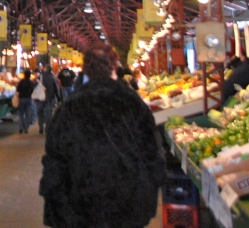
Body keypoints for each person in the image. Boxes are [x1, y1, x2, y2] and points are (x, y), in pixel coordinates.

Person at [40, 43, 165, 228]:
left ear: (85, 71)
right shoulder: (133, 104)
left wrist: (57, 212)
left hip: (79, 210)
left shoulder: (68, 108)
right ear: (114, 68)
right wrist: (145, 204)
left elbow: (55, 162)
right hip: (127, 208)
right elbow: (152, 155)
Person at [36, 64, 61, 134]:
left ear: (45, 69)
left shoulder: (40, 77)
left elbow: (35, 86)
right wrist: (59, 98)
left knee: (40, 112)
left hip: (40, 97)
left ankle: (41, 127)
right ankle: (48, 128)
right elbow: (56, 89)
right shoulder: (52, 77)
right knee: (48, 114)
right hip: (50, 98)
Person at [15, 69, 36, 134]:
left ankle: (20, 128)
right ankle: (26, 128)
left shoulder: (21, 82)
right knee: (27, 114)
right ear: (30, 75)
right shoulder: (31, 83)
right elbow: (33, 91)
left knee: (21, 114)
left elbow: (17, 90)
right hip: (29, 99)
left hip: (21, 99)